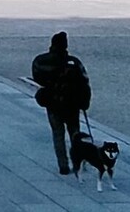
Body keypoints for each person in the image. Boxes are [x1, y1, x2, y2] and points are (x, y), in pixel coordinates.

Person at [29, 31, 91, 175]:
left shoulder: (41, 61)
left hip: (53, 103)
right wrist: (85, 102)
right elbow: (84, 82)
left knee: (58, 134)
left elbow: (37, 77)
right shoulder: (74, 62)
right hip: (72, 104)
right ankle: (78, 161)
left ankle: (63, 165)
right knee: (75, 133)